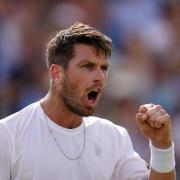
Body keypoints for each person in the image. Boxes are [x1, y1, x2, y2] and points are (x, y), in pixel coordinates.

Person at [0, 22, 176, 180]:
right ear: (56, 73)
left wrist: (162, 146)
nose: (100, 77)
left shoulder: (113, 136)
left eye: (104, 68)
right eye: (88, 66)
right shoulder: (8, 134)